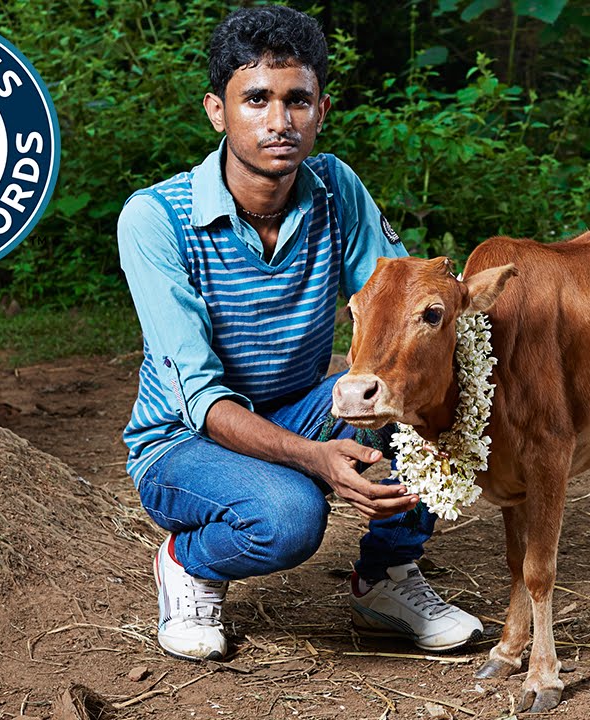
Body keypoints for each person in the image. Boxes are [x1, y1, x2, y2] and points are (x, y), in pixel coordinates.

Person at [116, 5, 482, 661]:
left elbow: (403, 300)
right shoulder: (155, 219)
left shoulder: (335, 188)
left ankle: (386, 575)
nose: (279, 121)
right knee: (290, 519)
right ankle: (190, 563)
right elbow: (200, 400)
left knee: (432, 392)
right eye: (256, 99)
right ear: (216, 110)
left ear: (322, 109)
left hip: (301, 407)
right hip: (184, 441)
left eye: (297, 100)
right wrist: (317, 459)